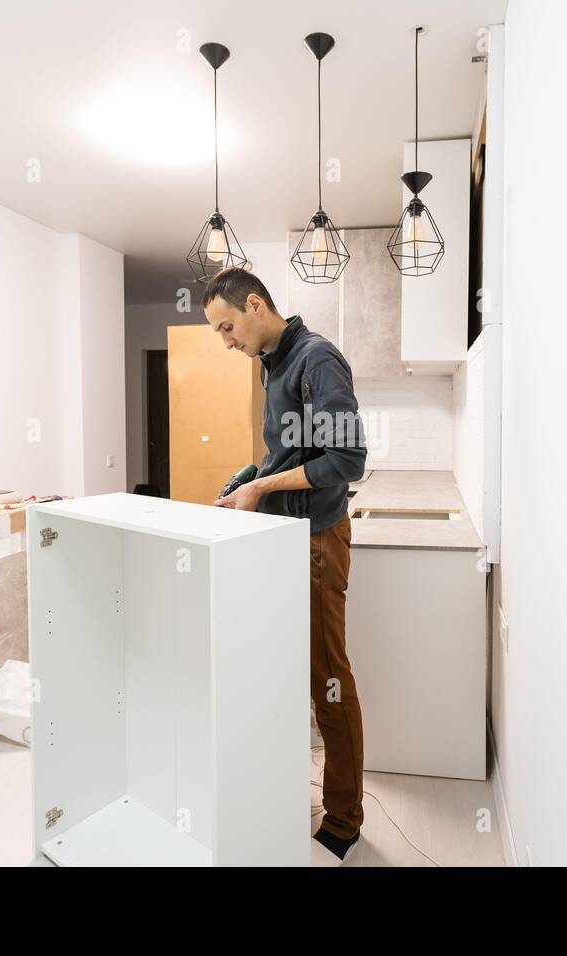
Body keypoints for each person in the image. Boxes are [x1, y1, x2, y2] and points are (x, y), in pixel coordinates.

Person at [202, 267, 366, 864]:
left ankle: (344, 821)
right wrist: (250, 478)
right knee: (291, 675)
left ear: (254, 304)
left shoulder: (317, 360)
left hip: (319, 539)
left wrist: (264, 483)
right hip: (285, 538)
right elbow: (286, 453)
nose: (226, 342)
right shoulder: (272, 363)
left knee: (328, 677)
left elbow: (347, 460)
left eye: (227, 327)